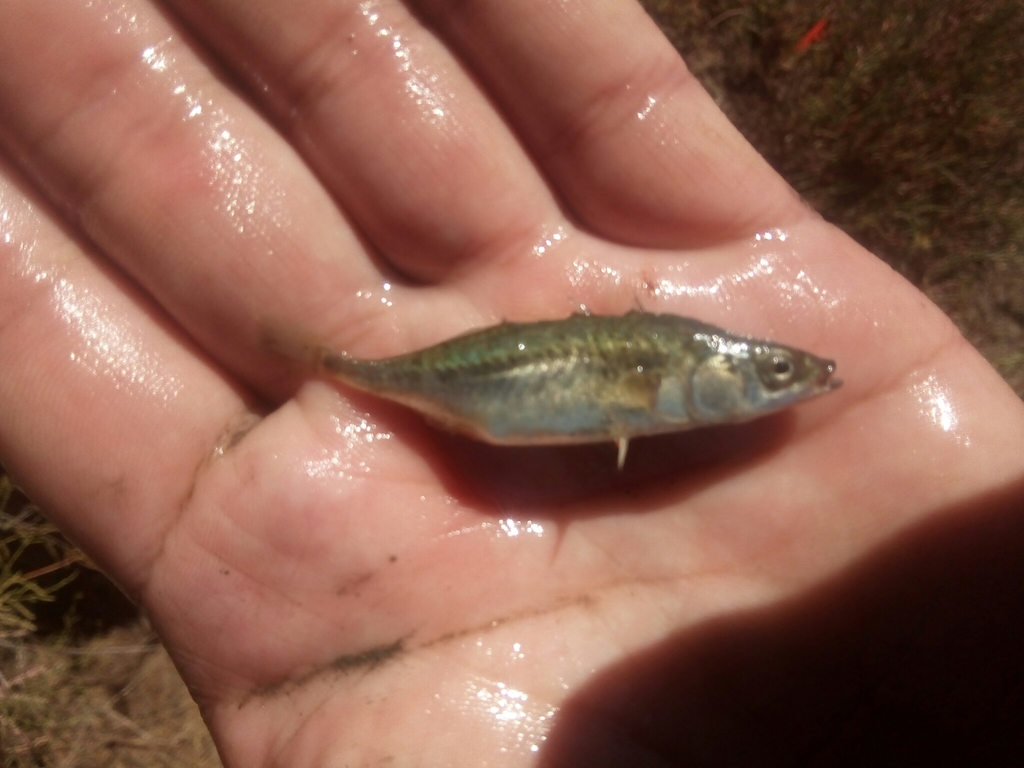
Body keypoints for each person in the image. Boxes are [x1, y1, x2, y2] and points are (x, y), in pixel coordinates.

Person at [1, 0, 1022, 765]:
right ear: (696, 371)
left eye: (774, 377)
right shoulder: (668, 368)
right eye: (767, 375)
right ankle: (331, 369)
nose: (781, 387)